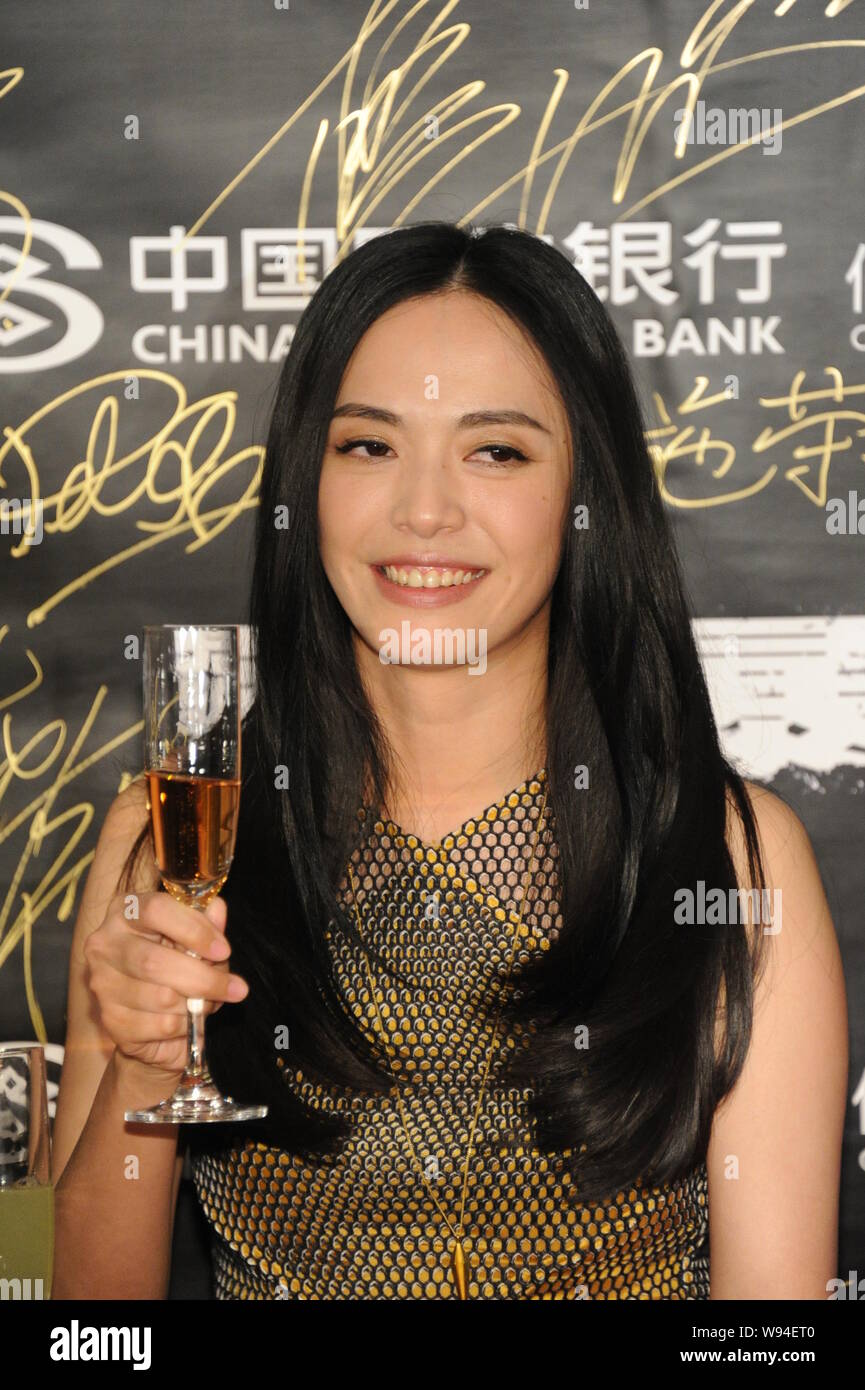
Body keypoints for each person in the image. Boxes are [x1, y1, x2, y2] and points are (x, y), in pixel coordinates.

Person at [51, 222, 848, 1301]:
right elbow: (81, 1324)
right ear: (304, 479)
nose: (424, 510)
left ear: (585, 493)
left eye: (496, 449)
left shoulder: (731, 862)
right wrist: (145, 1064)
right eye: (369, 445)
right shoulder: (167, 843)